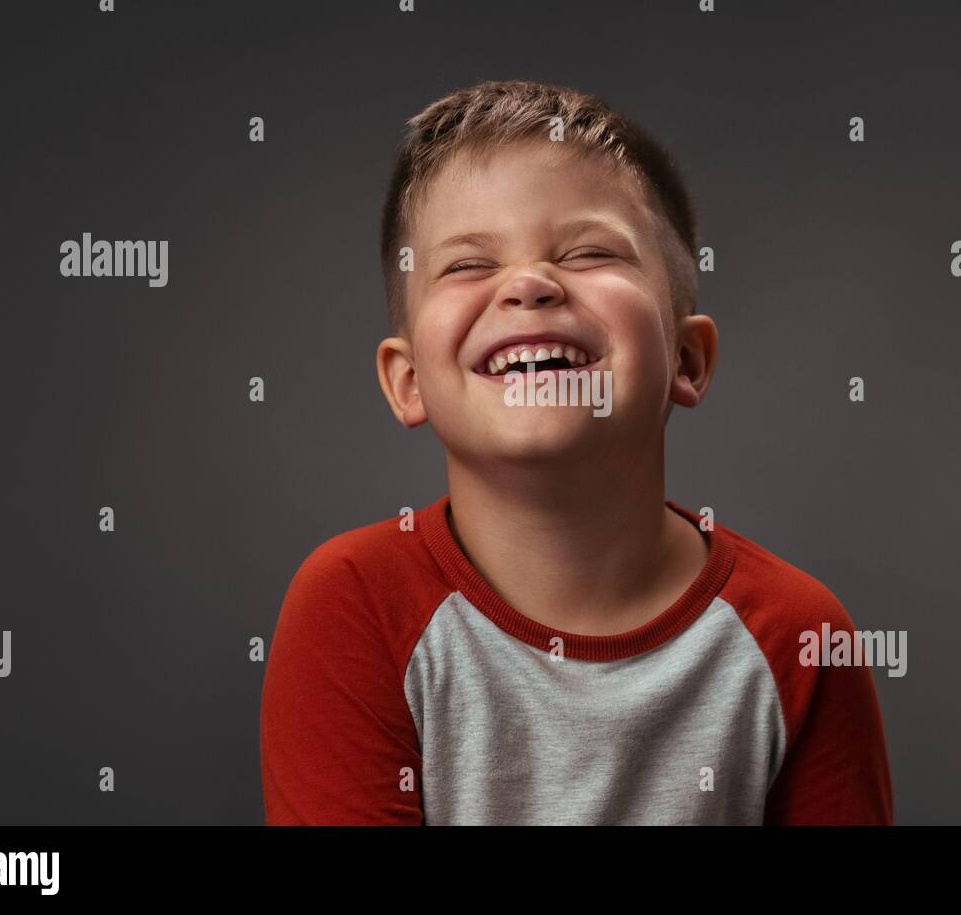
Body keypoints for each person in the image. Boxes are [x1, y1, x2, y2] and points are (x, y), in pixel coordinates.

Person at [259, 79, 893, 825]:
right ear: (408, 383)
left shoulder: (798, 634)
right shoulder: (354, 602)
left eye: (590, 252)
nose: (529, 283)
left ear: (686, 360)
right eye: (467, 265)